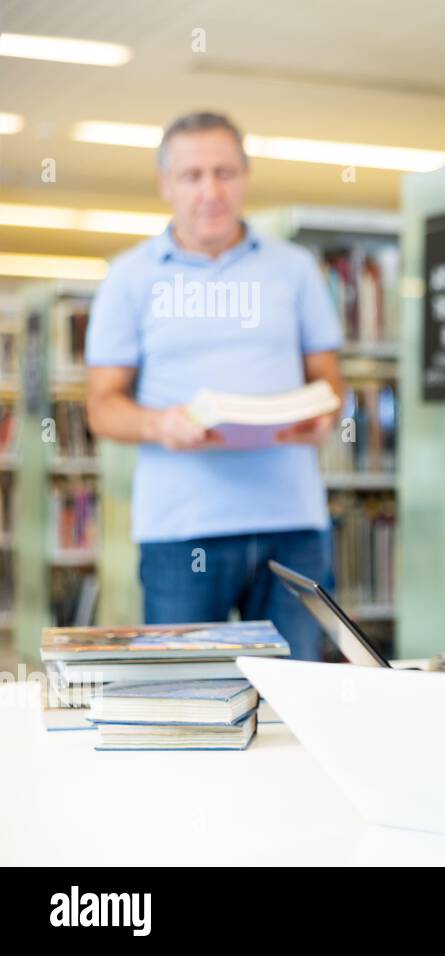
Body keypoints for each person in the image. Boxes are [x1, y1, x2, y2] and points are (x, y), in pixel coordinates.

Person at [85, 111, 344, 660]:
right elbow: (102, 408)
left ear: (246, 177)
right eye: (192, 175)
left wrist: (323, 414)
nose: (211, 190)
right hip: (182, 529)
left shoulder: (295, 269)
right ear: (165, 185)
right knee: (190, 700)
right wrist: (160, 424)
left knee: (296, 700)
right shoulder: (129, 277)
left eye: (225, 172)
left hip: (292, 524)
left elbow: (329, 381)